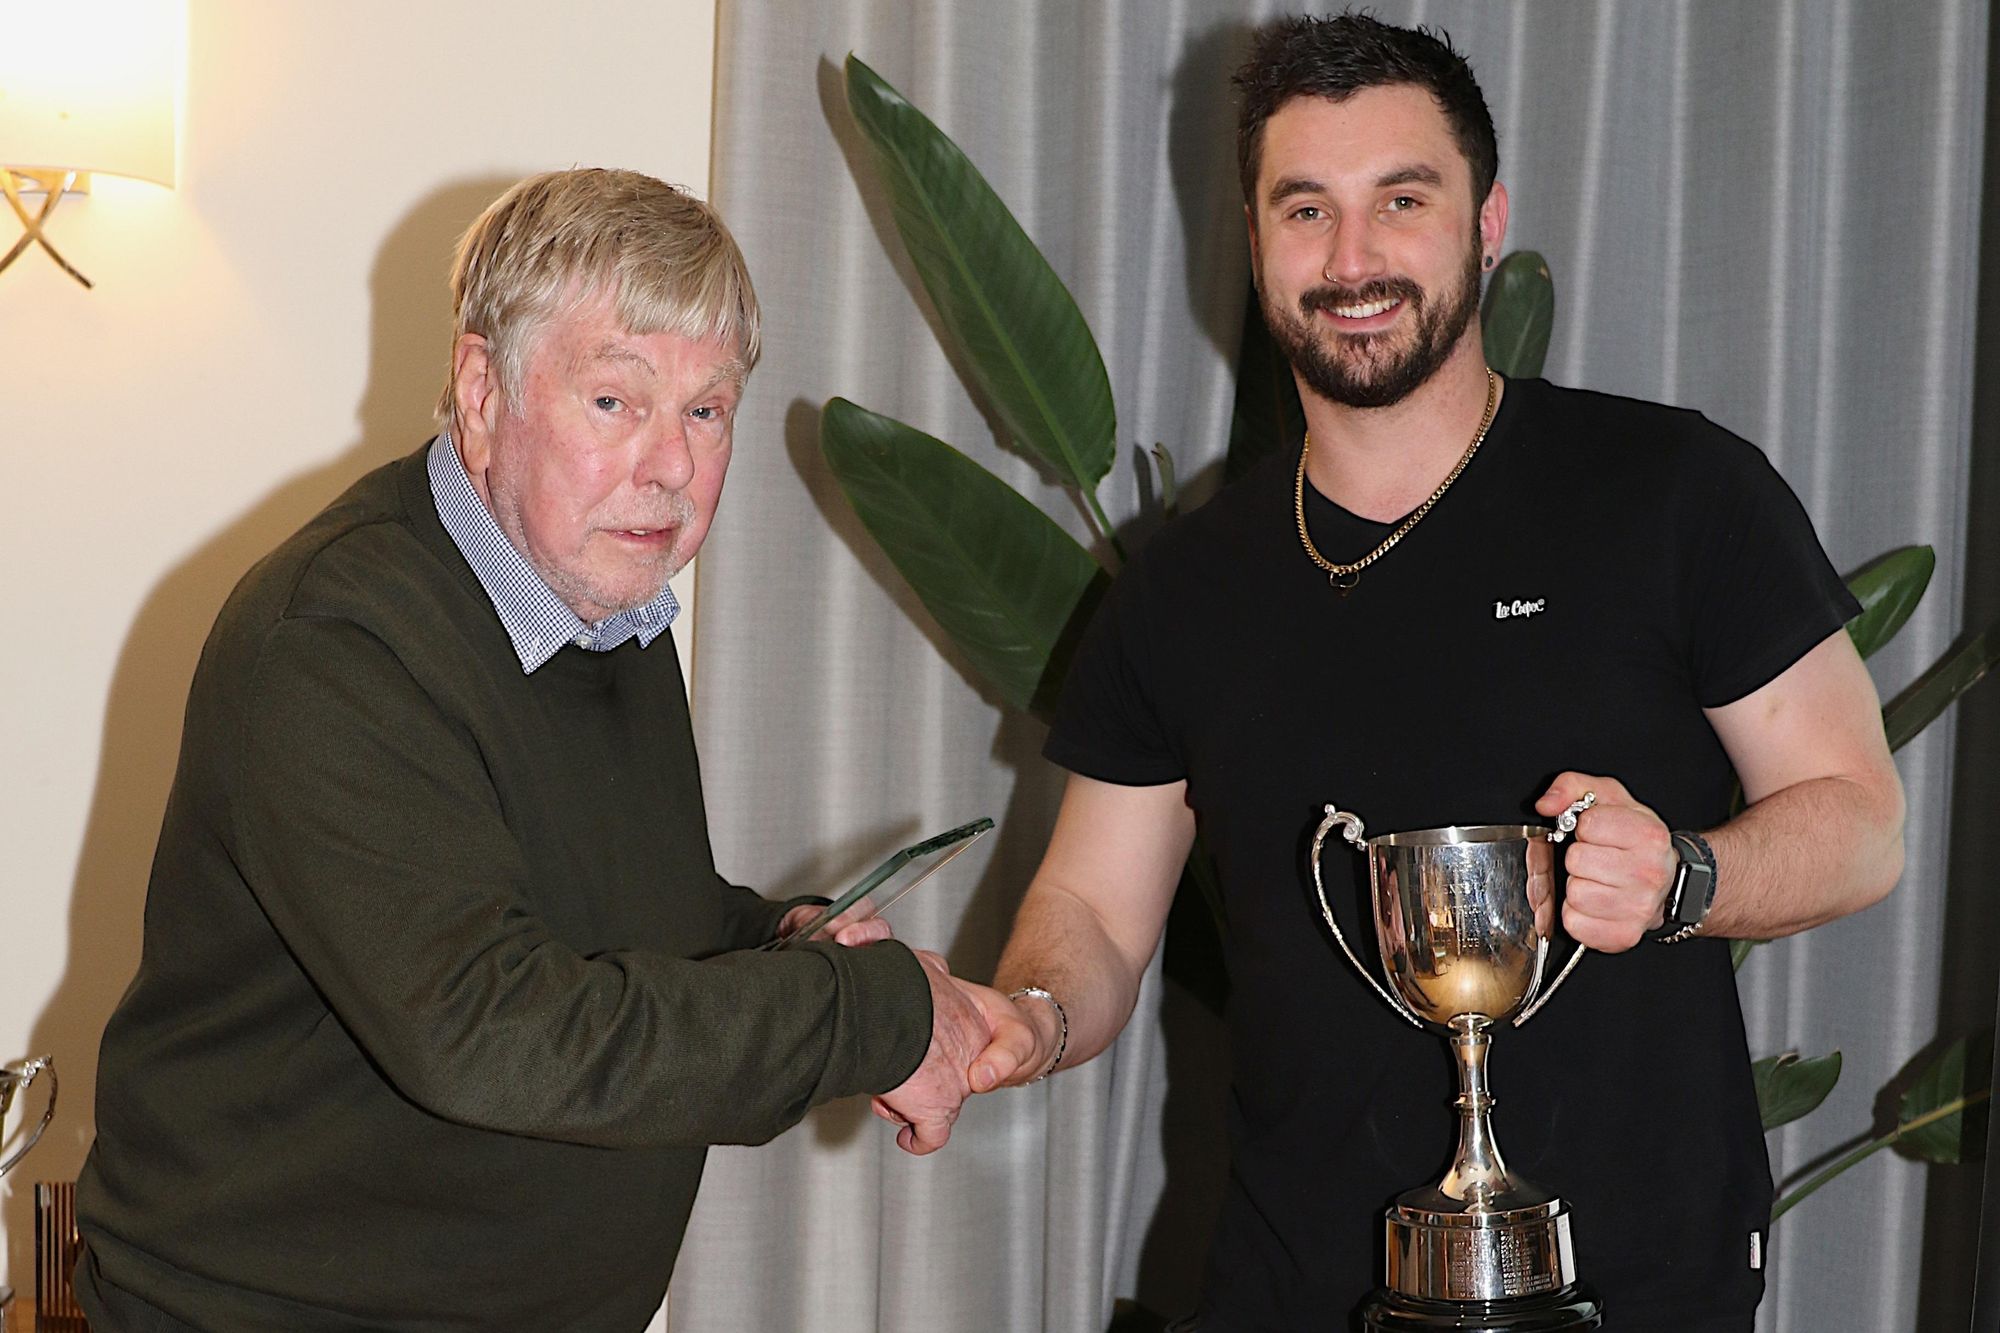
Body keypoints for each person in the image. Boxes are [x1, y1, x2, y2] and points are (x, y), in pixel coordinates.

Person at [962, 15, 1906, 1332]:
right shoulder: (1183, 588)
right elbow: (1097, 912)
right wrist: (1030, 1016)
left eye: (1401, 200)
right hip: (1296, 1286)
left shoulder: (1675, 493)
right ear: (1254, 238)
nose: (1353, 260)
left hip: (1634, 1281)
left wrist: (1690, 875)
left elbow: (1860, 821)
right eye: (1307, 210)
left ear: (1485, 221)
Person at [73, 168, 997, 1332]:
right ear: (480, 389)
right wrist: (856, 1016)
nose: (669, 466)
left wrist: (774, 938)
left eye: (705, 411)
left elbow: (594, 911)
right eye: (617, 402)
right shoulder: (337, 640)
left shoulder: (604, 597)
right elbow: (489, 1030)